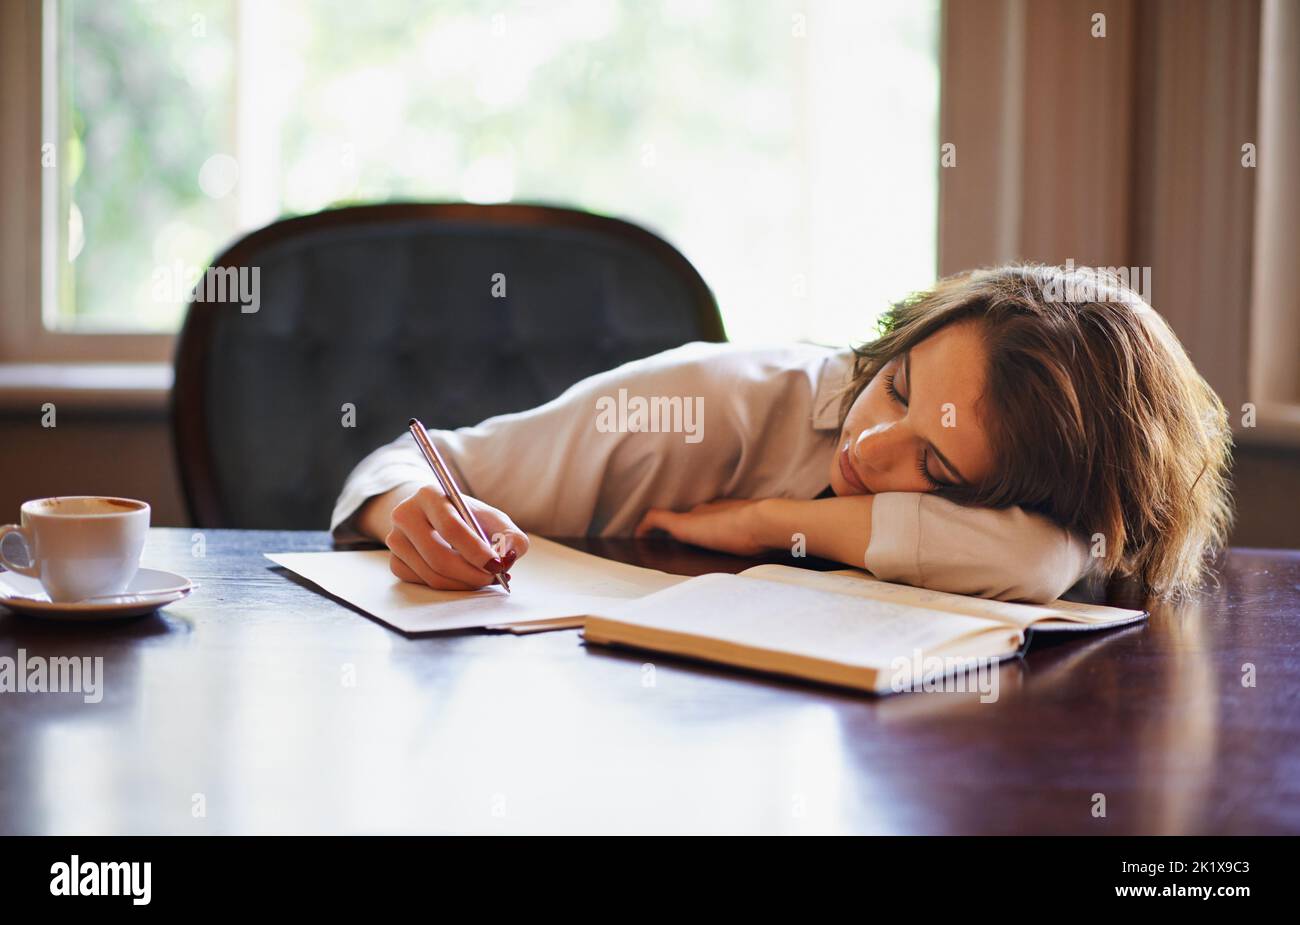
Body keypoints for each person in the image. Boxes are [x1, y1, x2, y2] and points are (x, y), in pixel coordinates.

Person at [331, 264, 1233, 604]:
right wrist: (407, 506)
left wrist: (766, 522)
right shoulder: (713, 404)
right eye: (900, 385)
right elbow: (419, 458)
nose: (872, 445)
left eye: (936, 463)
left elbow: (1045, 562)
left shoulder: (1056, 529)